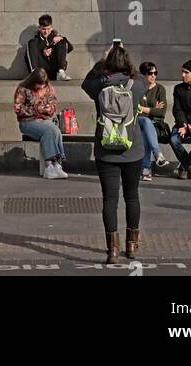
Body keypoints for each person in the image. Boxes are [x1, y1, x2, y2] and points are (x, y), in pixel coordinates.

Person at [82, 42, 145, 263]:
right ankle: (132, 245)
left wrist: (102, 60)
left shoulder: (99, 85)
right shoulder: (136, 85)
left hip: (105, 149)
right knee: (132, 197)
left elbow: (84, 83)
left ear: (108, 63)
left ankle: (113, 250)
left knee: (110, 199)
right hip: (132, 149)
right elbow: (143, 79)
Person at [14, 68, 67, 180]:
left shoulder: (49, 88)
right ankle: (49, 165)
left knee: (55, 130)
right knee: (49, 130)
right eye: (39, 85)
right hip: (27, 122)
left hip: (45, 120)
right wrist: (37, 110)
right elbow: (18, 109)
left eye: (43, 84)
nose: (41, 87)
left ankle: (56, 164)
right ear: (33, 82)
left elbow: (53, 106)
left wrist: (48, 109)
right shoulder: (23, 89)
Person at [137, 61, 170, 180]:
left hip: (155, 124)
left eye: (155, 73)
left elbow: (161, 112)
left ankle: (146, 169)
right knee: (146, 122)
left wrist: (143, 108)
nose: (153, 76)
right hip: (139, 122)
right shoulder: (138, 88)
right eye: (150, 73)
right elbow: (136, 109)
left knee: (146, 133)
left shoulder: (160, 89)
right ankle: (158, 155)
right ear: (143, 75)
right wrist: (152, 109)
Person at [25, 15, 73, 81]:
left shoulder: (55, 37)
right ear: (39, 28)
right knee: (31, 42)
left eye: (48, 29)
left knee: (62, 41)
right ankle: (34, 74)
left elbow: (70, 48)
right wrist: (43, 51)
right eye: (43, 29)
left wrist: (62, 38)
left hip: (54, 70)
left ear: (52, 28)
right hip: (41, 72)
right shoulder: (36, 40)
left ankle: (61, 72)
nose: (46, 32)